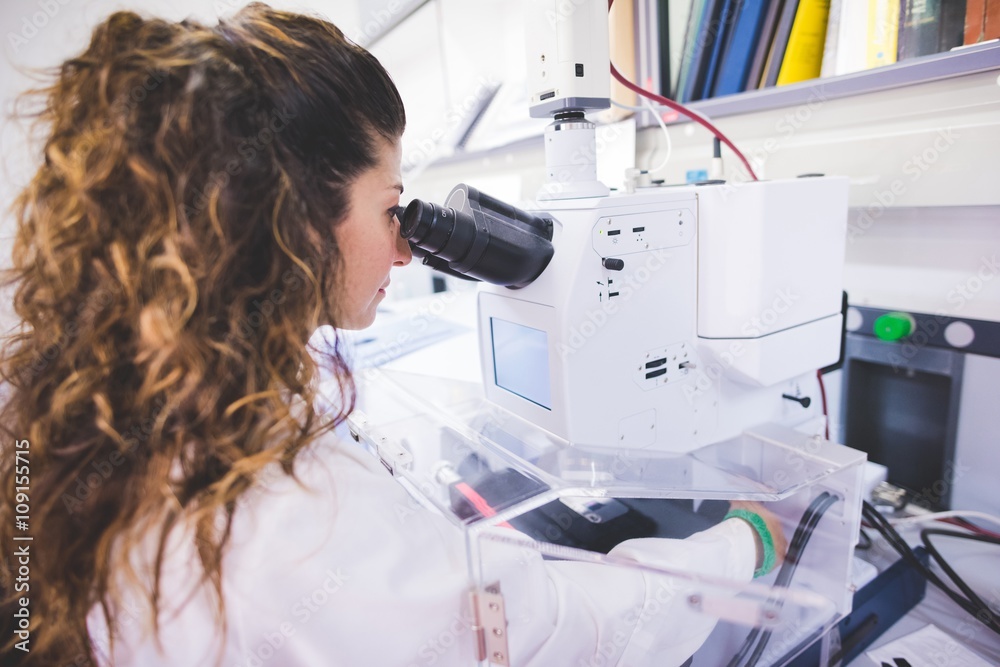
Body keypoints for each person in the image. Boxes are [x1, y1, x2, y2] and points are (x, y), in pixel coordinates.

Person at [0, 4, 787, 666]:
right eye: (391, 208)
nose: (408, 246)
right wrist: (743, 544)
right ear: (297, 224)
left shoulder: (92, 393)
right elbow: (558, 632)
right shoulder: (291, 519)